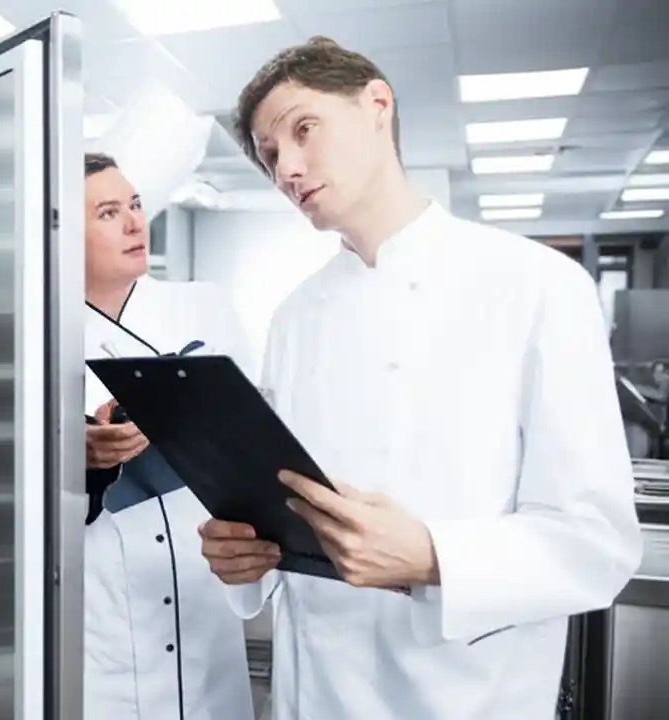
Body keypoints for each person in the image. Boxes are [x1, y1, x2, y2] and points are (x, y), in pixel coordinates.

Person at [198, 36, 642, 719]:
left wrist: (434, 556)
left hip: (465, 691)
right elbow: (289, 498)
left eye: (302, 130)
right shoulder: (294, 315)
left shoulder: (538, 285)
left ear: (377, 104)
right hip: (312, 689)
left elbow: (597, 543)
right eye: (268, 155)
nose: (287, 168)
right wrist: (247, 554)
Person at [82, 152, 256, 720]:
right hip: (104, 605)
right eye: (109, 212)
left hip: (202, 580)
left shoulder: (202, 306)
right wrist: (79, 455)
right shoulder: (32, 336)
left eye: (134, 204)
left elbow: (255, 432)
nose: (136, 222)